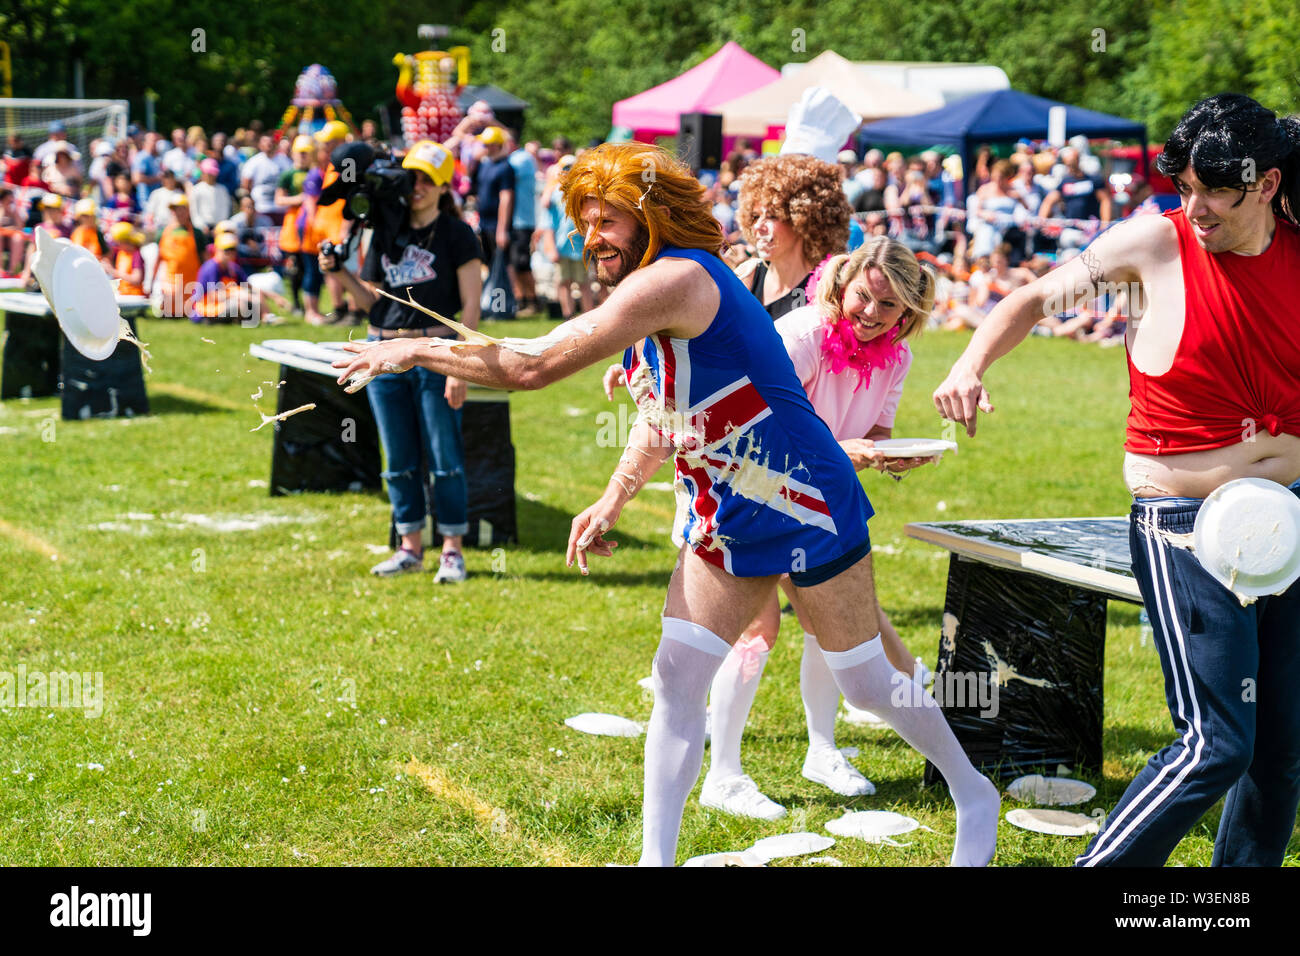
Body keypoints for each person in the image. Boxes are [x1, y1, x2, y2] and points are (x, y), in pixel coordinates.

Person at [333, 142, 1000, 866]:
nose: (591, 238)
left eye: (607, 220)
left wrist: (413, 350)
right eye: (584, 222)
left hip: (806, 497)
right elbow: (667, 414)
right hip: (730, 508)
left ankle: (972, 792)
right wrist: (614, 495)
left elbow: (534, 365)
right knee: (679, 677)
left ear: (651, 216)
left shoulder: (678, 280)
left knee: (867, 683)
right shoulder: (658, 286)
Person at [934, 93, 1300, 867]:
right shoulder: (1151, 245)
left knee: (1281, 753)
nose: (1193, 206)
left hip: (1288, 526)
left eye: (1213, 192)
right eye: (1184, 189)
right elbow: (1034, 298)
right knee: (1215, 745)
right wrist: (967, 364)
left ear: (1267, 185)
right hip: (1185, 525)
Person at [603, 238, 943, 818]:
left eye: (889, 308)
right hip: (745, 492)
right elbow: (755, 435)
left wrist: (888, 454)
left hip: (819, 503)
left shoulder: (897, 358)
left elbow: (876, 431)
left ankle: (823, 750)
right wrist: (848, 453)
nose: (871, 315)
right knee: (755, 630)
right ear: (842, 286)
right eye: (864, 297)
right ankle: (725, 772)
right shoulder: (803, 336)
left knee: (826, 627)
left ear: (908, 313)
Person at [321, 141, 482, 583]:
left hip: (435, 354)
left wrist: (462, 364)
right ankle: (409, 546)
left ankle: (452, 550)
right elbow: (372, 304)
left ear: (444, 185)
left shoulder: (457, 233)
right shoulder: (386, 229)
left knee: (444, 456)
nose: (418, 187)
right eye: (412, 177)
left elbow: (471, 305)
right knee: (398, 457)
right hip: (384, 352)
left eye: (428, 179)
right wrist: (339, 272)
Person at [732, 153, 848, 320]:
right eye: (755, 216)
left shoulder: (827, 289)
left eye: (772, 216)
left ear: (803, 219)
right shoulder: (747, 275)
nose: (758, 226)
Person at [274, 135, 324, 323]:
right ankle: (297, 303)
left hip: (312, 223)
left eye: (307, 153)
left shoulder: (316, 172)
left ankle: (310, 304)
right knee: (295, 267)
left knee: (310, 266)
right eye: (301, 153)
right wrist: (301, 199)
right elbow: (279, 199)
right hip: (294, 222)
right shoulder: (288, 174)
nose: (304, 156)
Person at [471, 125, 515, 270]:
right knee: (489, 263)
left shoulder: (505, 167)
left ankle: (504, 293)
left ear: (495, 145)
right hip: (484, 223)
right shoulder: (485, 164)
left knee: (503, 266)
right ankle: (494, 292)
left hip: (496, 225)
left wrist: (502, 230)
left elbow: (506, 198)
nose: (484, 147)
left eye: (486, 144)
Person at [152, 195, 202, 318]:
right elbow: (158, 260)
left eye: (181, 209)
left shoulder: (197, 233)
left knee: (193, 311)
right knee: (169, 309)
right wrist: (151, 283)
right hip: (170, 283)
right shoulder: (162, 233)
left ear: (188, 210)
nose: (178, 212)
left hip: (192, 284)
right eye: (175, 209)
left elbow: (204, 260)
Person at [106, 221, 147, 296]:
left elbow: (136, 279)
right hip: (122, 294)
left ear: (125, 241)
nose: (117, 245)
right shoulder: (121, 253)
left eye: (118, 242)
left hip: (134, 296)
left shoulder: (136, 255)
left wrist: (113, 271)